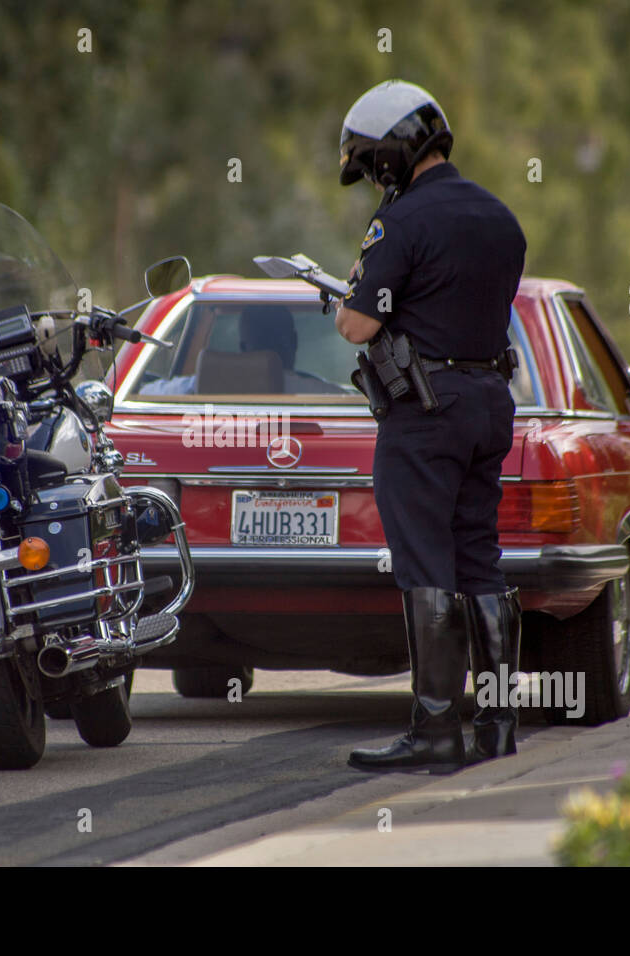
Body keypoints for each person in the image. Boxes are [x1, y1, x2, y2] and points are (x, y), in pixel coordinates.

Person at [333, 79, 526, 773]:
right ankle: (499, 729)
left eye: (369, 166)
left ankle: (436, 731)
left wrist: (356, 280)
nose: (369, 181)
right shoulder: (502, 217)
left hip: (425, 412)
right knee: (481, 560)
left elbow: (358, 324)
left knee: (425, 566)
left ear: (389, 158)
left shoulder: (402, 222)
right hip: (487, 401)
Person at [138, 305, 342, 395]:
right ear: (294, 342)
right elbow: (353, 400)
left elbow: (143, 392)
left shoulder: (195, 387)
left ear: (243, 348)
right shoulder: (321, 394)